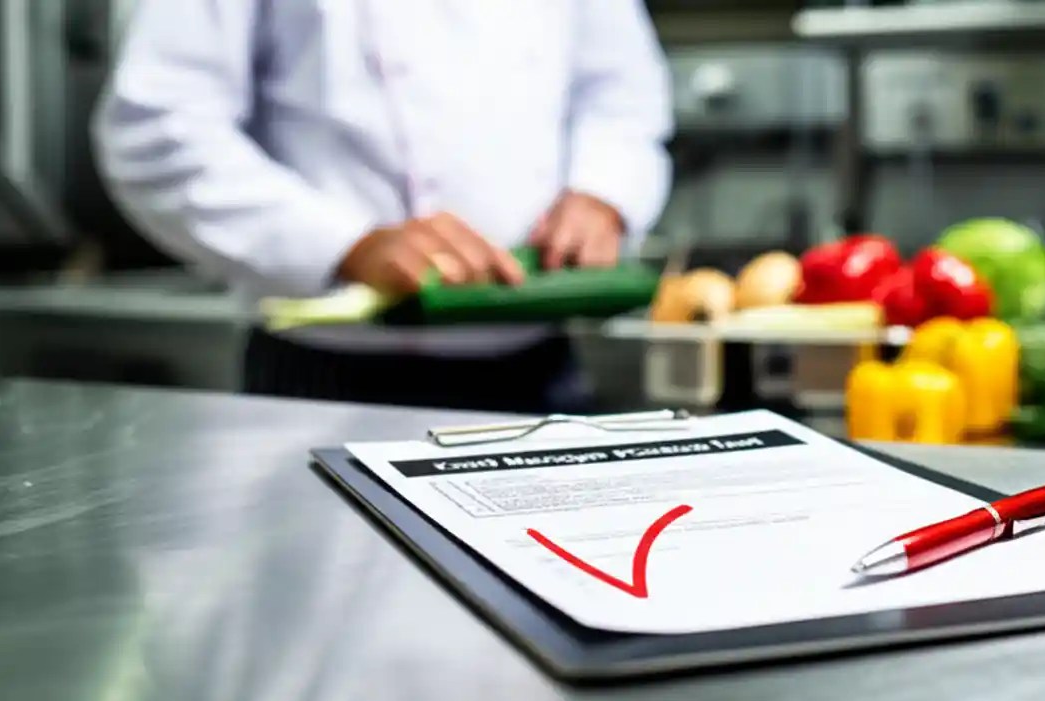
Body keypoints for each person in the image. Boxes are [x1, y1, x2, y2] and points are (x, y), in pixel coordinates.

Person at [94, 0, 673, 413]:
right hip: (327, 378)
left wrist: (603, 193)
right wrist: (344, 245)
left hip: (541, 365)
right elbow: (157, 128)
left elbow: (622, 94)